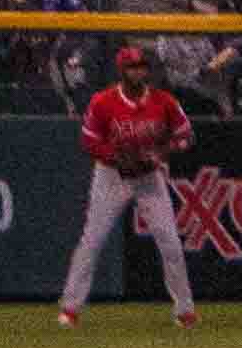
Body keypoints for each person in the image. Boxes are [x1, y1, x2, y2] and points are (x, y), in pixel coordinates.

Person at [54, 45, 199, 328]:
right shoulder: (103, 102)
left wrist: (163, 152)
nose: (139, 71)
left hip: (149, 177)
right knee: (93, 240)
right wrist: (118, 158)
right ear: (121, 71)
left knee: (170, 242)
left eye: (142, 66)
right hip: (111, 176)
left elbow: (186, 136)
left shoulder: (164, 101)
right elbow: (90, 142)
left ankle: (185, 310)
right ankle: (70, 308)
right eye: (132, 67)